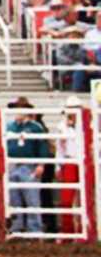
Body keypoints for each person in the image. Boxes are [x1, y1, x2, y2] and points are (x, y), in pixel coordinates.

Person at [6, 97, 50, 234]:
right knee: (14, 199)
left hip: (29, 165)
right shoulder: (9, 126)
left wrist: (41, 164)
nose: (18, 110)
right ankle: (16, 229)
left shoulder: (35, 127)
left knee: (32, 199)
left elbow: (43, 147)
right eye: (16, 107)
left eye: (20, 107)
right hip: (12, 164)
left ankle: (34, 230)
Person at [56, 96, 86, 238]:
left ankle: (83, 230)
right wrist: (58, 165)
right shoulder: (62, 126)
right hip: (69, 162)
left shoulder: (89, 124)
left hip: (85, 161)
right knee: (66, 200)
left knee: (86, 198)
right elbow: (60, 147)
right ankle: (67, 232)